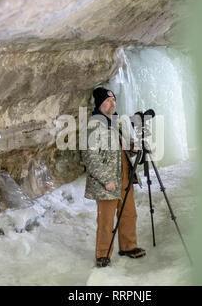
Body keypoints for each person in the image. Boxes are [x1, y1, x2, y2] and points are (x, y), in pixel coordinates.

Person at [81, 87, 146, 268]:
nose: (112, 103)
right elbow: (89, 158)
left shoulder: (116, 123)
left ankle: (128, 246)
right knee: (106, 220)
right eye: (108, 101)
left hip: (125, 175)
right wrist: (105, 180)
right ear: (100, 104)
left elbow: (122, 147)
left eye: (113, 100)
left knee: (129, 214)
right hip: (106, 181)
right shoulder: (93, 126)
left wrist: (132, 147)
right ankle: (103, 254)